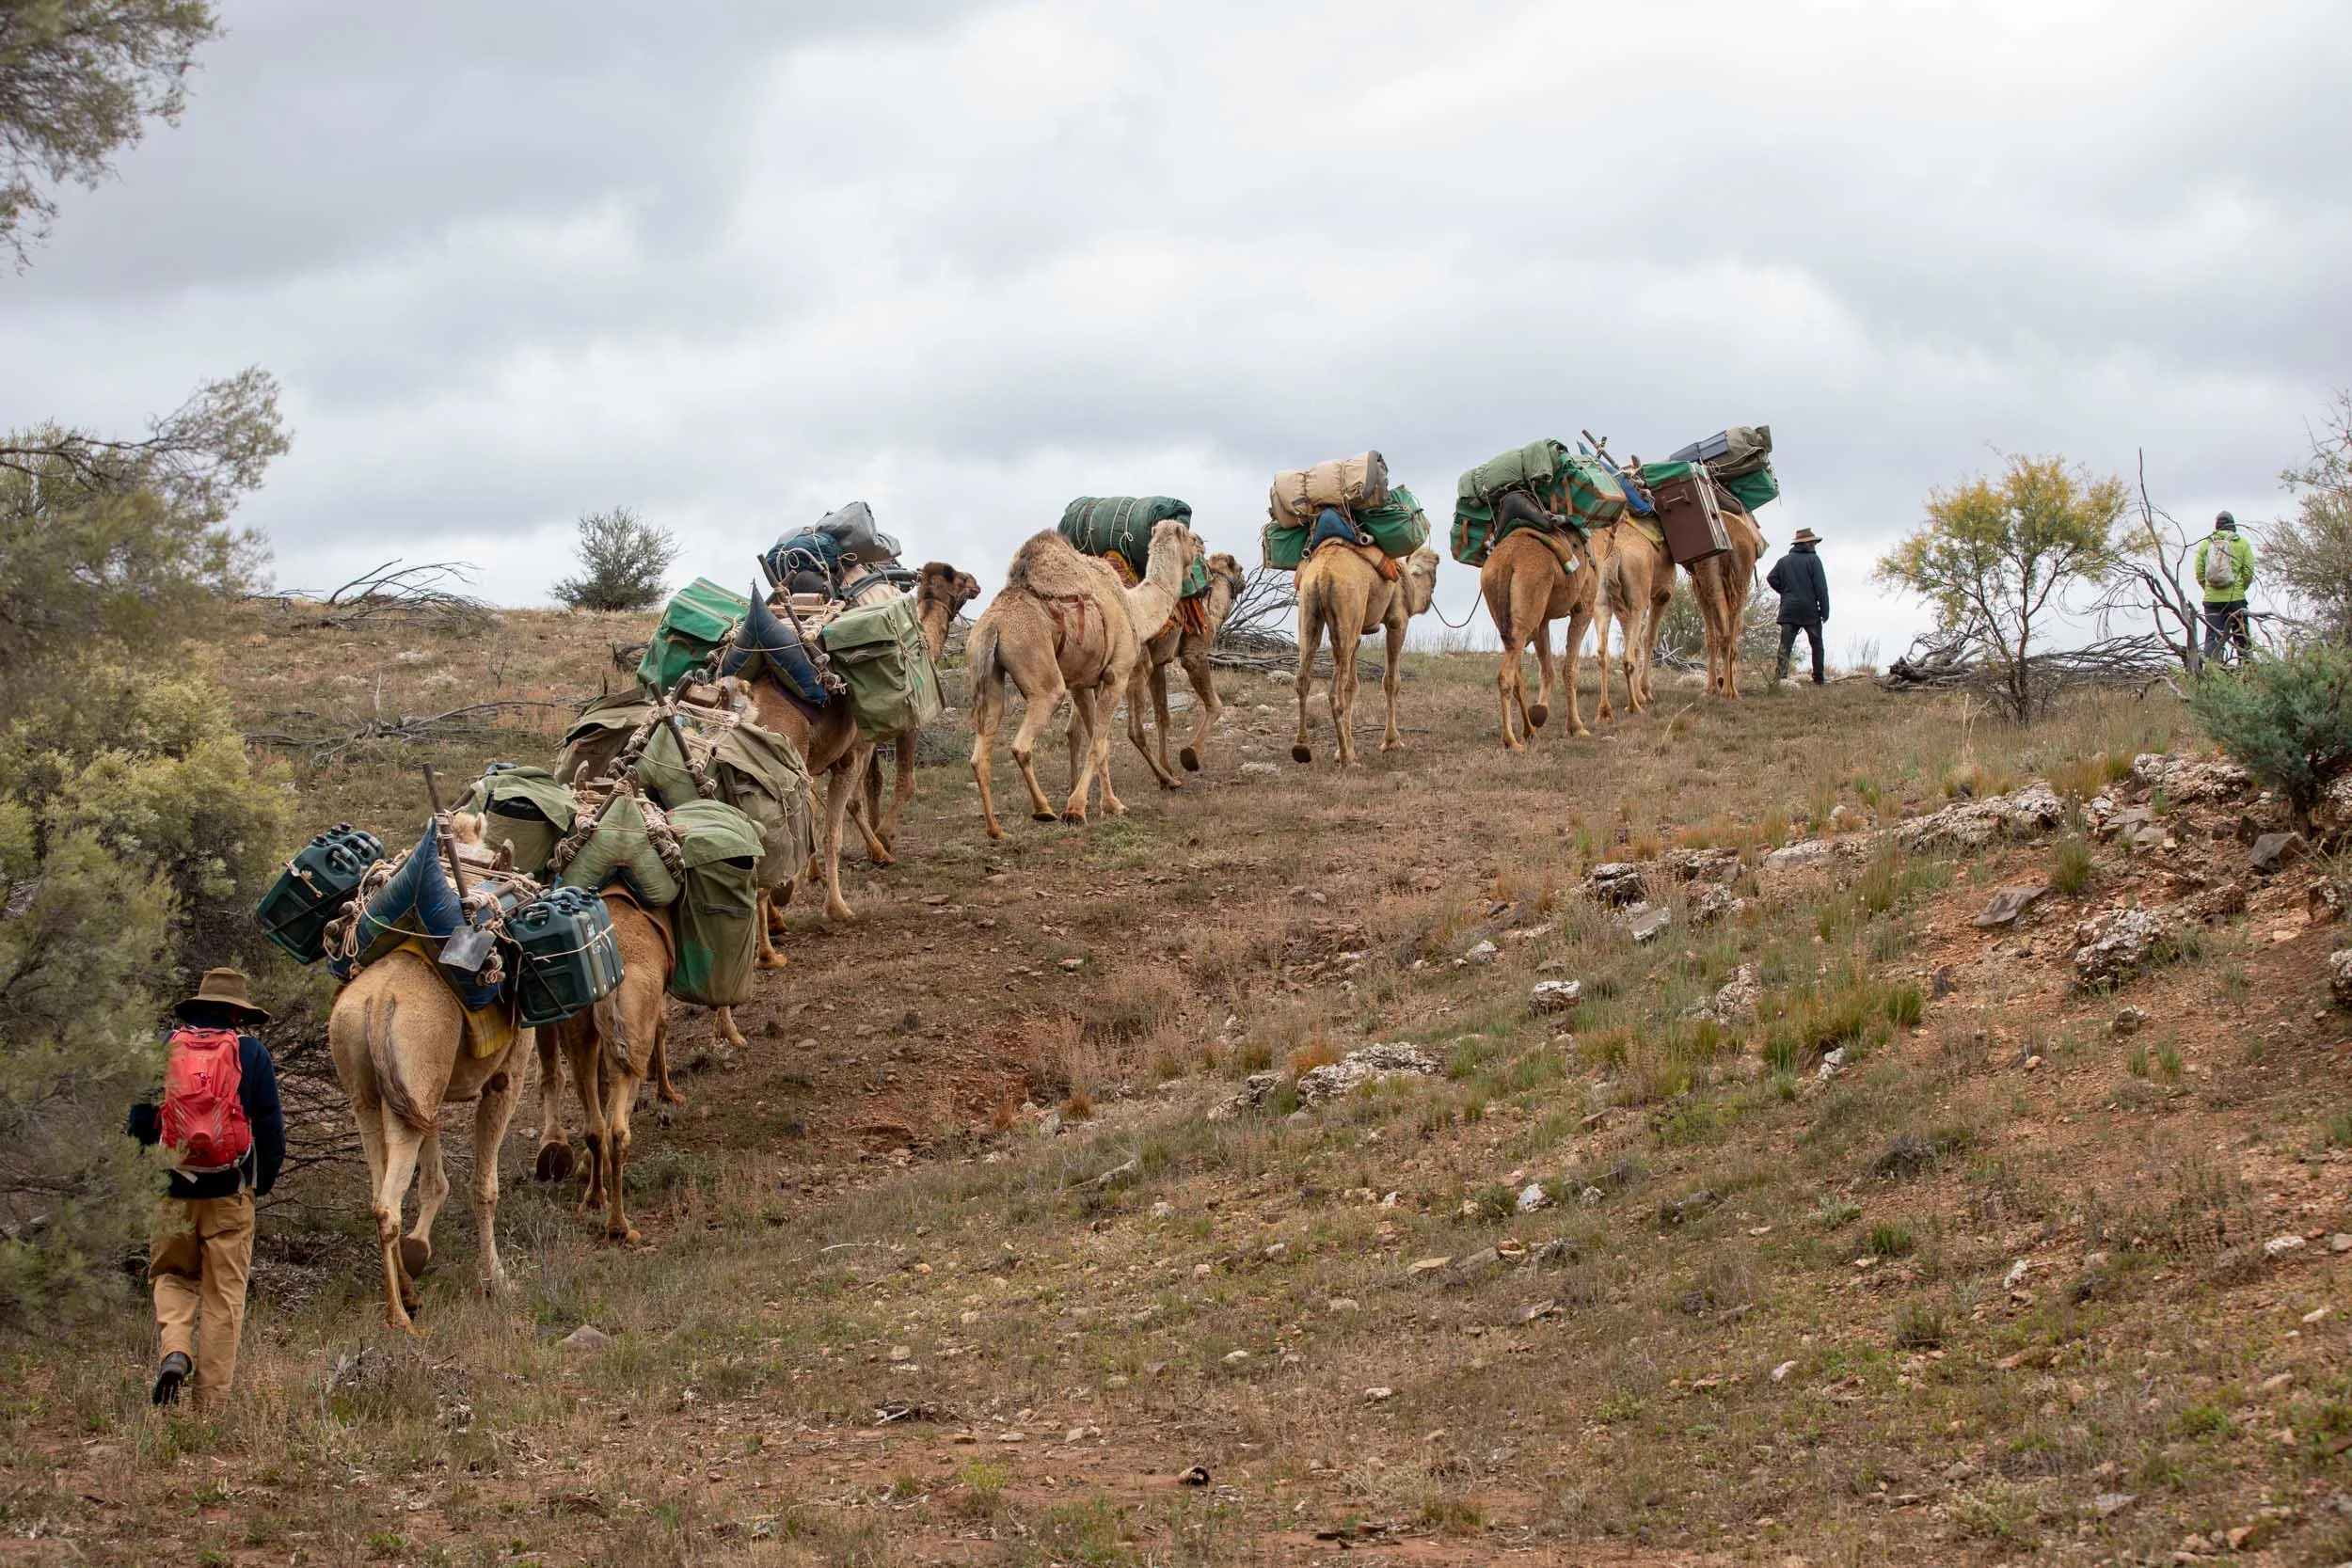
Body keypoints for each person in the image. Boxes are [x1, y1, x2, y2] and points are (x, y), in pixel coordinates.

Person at [125, 968, 284, 1412]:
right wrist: (259, 1184)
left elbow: (139, 1123)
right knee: (224, 1296)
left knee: (171, 1276)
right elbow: (271, 1130)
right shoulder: (251, 1053)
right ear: (237, 1013)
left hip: (170, 1193)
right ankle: (210, 1408)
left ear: (197, 1006)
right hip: (229, 1192)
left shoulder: (162, 1047)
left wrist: (148, 1177)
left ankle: (176, 1351)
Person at [1766, 527, 1830, 684]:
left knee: (1785, 646)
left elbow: (1771, 578)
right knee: (1817, 645)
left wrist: (1785, 592)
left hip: (1789, 609)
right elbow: (1821, 588)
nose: (1814, 546)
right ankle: (1818, 679)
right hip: (1810, 610)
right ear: (1807, 544)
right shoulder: (1814, 560)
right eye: (1813, 543)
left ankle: (1780, 678)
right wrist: (1825, 611)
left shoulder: (1783, 561)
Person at [2193, 512, 2255, 665]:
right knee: (2241, 636)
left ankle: (2213, 670)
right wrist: (2240, 588)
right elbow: (2248, 573)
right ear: (2233, 526)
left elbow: (2199, 572)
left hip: (2212, 601)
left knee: (2213, 636)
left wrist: (2209, 588)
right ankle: (2247, 670)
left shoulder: (2205, 544)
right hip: (2236, 599)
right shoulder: (2242, 544)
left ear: (2217, 526)